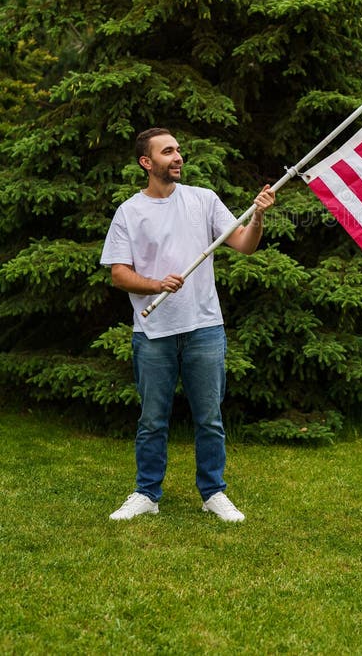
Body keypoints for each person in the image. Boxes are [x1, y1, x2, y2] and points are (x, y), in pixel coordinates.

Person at [100, 127, 275, 522]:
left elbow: (245, 244)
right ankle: (147, 493)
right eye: (167, 151)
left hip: (204, 326)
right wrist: (156, 284)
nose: (178, 156)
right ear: (147, 162)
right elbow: (119, 275)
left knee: (209, 417)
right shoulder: (130, 212)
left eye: (178, 150)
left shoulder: (204, 200)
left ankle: (213, 492)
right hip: (152, 333)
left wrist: (259, 215)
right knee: (152, 420)